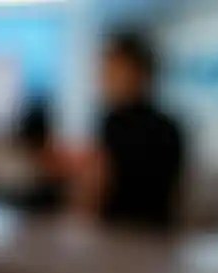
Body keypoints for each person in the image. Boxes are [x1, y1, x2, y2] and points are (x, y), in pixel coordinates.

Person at [78, 31, 187, 230]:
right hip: (134, 234)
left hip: (137, 236)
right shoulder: (113, 121)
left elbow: (98, 184)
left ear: (139, 72)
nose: (105, 78)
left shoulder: (159, 128)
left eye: (113, 69)